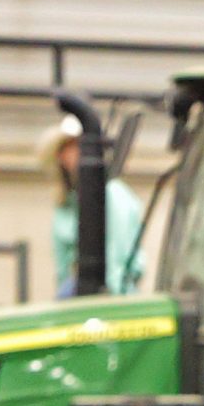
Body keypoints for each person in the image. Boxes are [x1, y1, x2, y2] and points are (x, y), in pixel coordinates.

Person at [37, 114, 145, 297]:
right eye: (66, 148)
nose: (71, 155)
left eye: (77, 146)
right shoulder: (65, 205)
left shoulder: (113, 195)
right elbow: (63, 268)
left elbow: (117, 262)